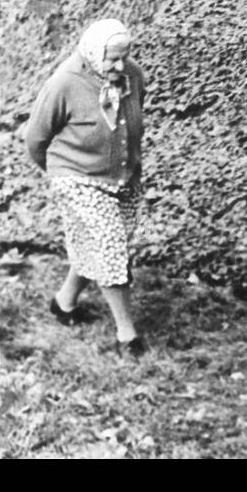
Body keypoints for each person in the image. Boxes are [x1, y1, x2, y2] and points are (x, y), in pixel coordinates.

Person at [24, 18, 148, 356]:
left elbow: (132, 116)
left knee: (101, 243)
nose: (121, 66)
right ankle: (127, 335)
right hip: (77, 177)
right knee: (110, 249)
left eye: (126, 56)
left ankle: (63, 303)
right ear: (94, 54)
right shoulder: (64, 83)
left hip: (122, 176)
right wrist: (61, 175)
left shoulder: (132, 75)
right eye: (113, 59)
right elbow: (36, 139)